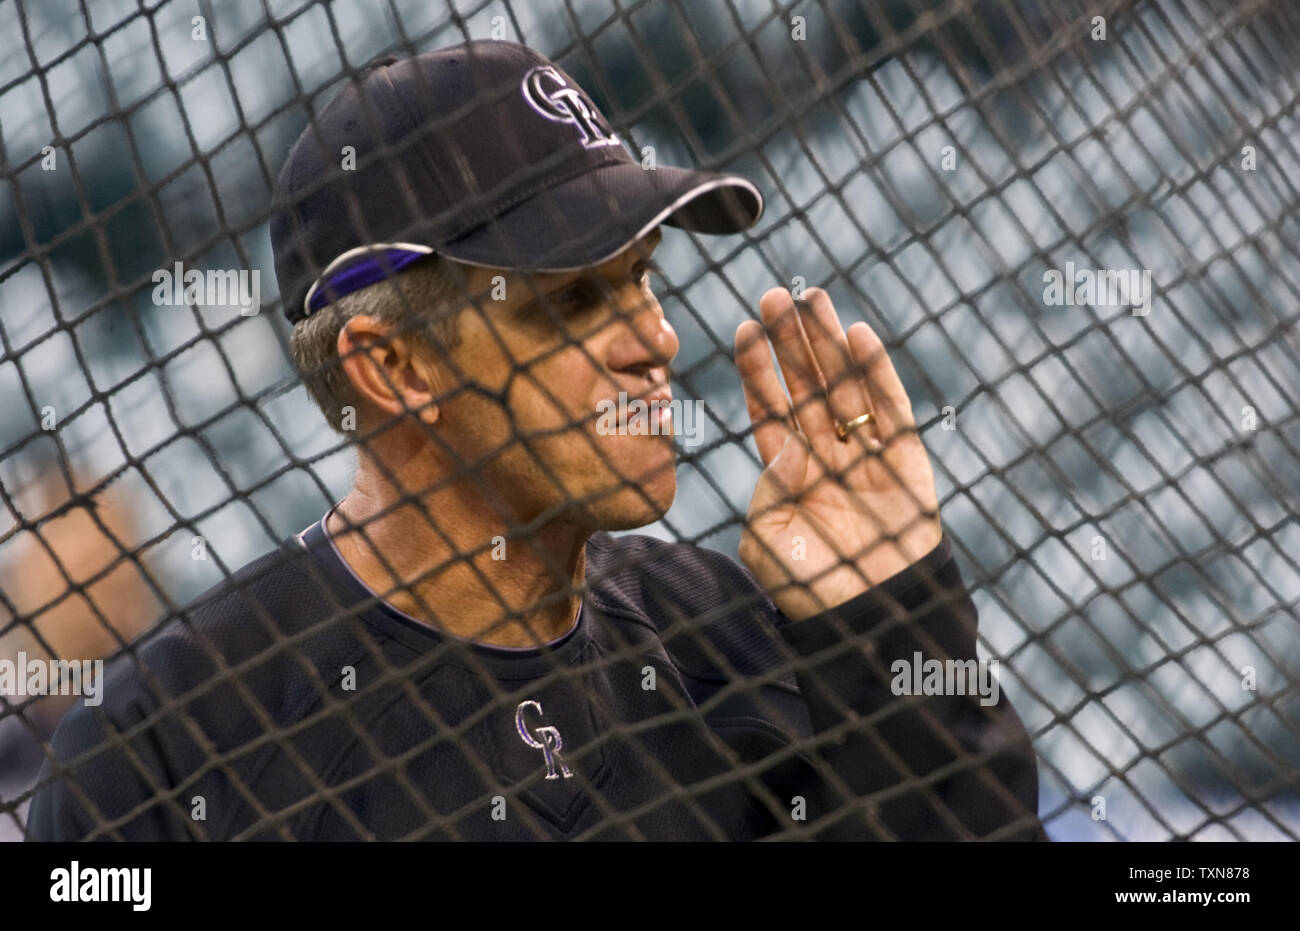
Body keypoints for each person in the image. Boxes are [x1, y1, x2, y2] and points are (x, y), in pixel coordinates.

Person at [28, 40, 1044, 841]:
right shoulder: (164, 746)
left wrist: (892, 616)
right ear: (396, 368)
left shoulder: (737, 642)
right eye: (573, 299)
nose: (656, 338)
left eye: (643, 277)